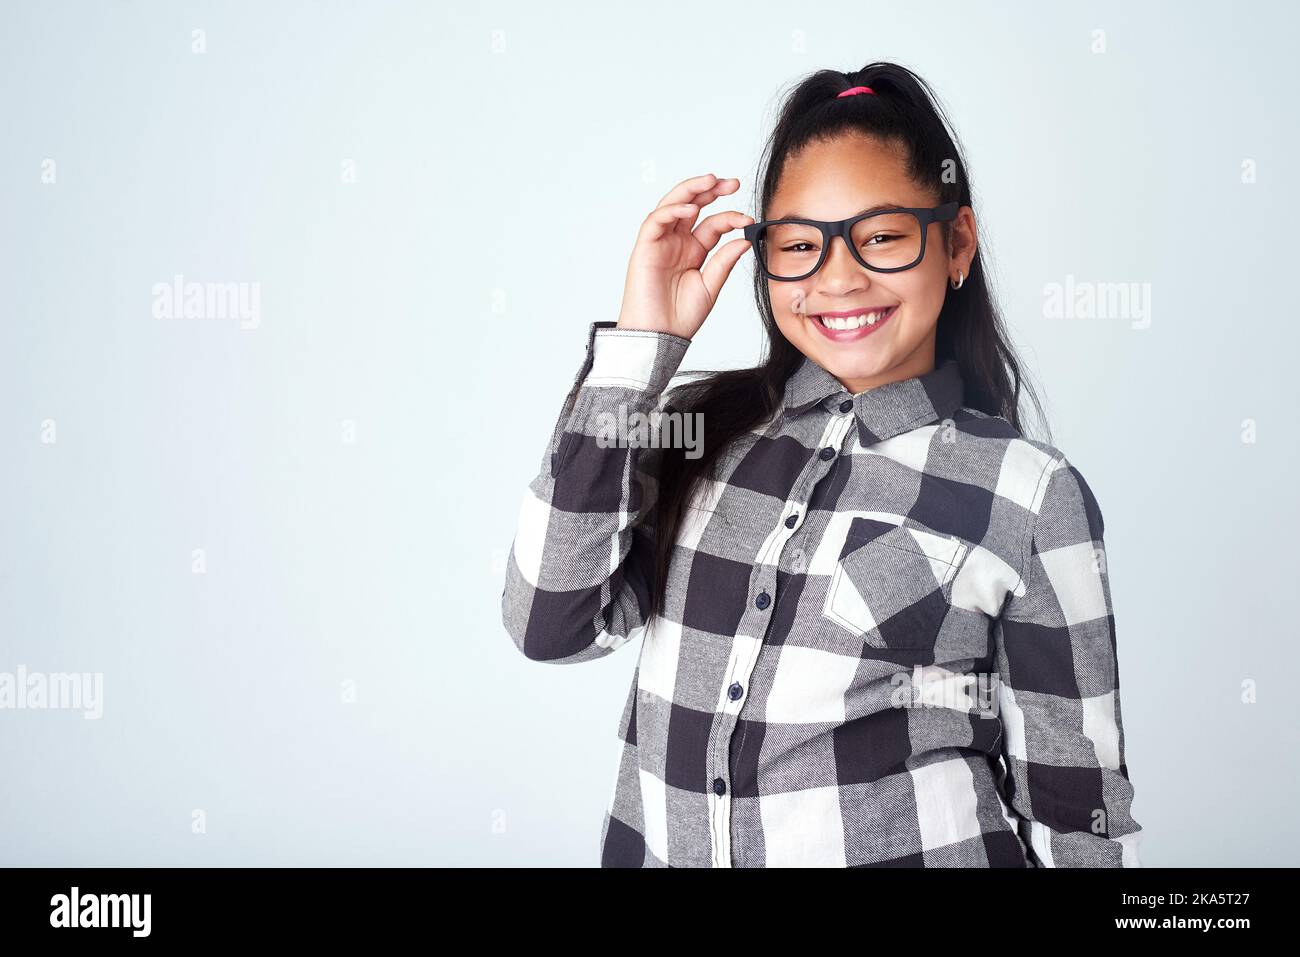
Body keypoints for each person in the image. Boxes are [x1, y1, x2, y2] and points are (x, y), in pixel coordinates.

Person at [500, 61, 1143, 868]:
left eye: (880, 236)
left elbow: (1074, 808)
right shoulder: (697, 435)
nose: (837, 277)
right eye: (799, 244)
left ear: (957, 243)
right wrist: (640, 348)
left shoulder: (1029, 494)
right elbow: (550, 622)